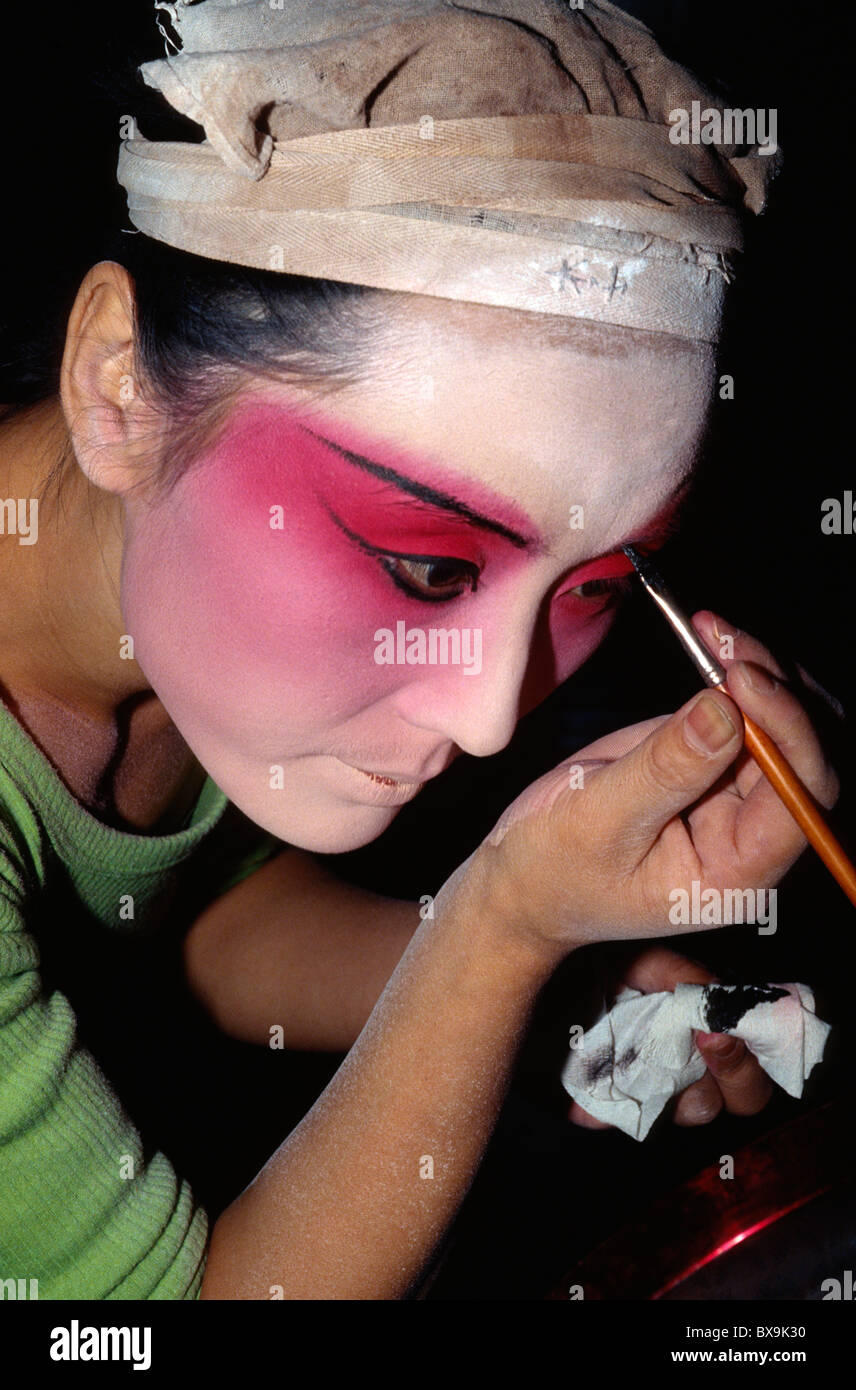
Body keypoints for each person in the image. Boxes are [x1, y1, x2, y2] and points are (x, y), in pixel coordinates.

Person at [0, 0, 838, 1299]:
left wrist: (567, 981)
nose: (494, 718)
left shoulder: (176, 619)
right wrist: (502, 921)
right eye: (429, 568)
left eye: (597, 581)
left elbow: (201, 916)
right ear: (119, 387)